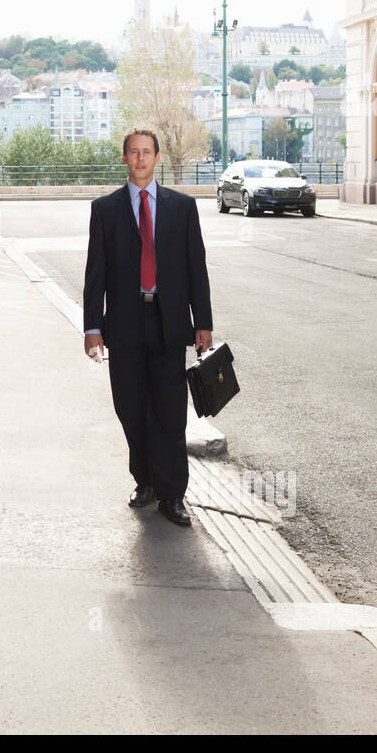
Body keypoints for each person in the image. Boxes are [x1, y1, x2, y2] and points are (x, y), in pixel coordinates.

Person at [82, 130, 214, 525]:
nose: (140, 159)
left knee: (171, 412)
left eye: (147, 152)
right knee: (131, 407)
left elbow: (196, 269)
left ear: (157, 158)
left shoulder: (182, 208)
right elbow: (96, 275)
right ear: (124, 158)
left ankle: (173, 494)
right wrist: (92, 327)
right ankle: (145, 481)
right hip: (123, 324)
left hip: (170, 323)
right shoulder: (104, 210)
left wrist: (202, 323)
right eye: (133, 153)